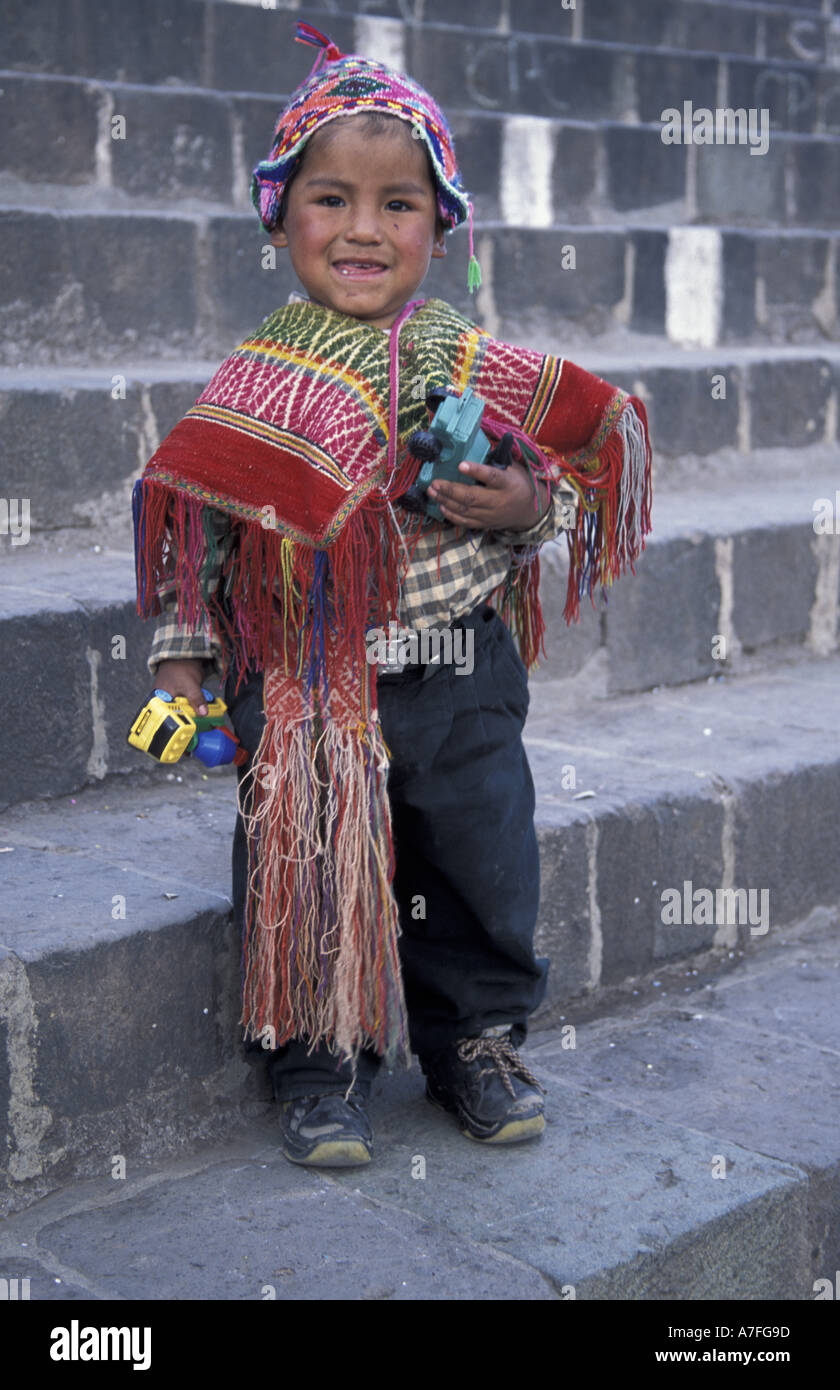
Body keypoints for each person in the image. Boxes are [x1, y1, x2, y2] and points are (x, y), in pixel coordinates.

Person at [133, 22, 652, 1168]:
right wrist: (183, 662)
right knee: (307, 858)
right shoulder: (249, 387)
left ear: (442, 225)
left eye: (399, 205)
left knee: (481, 854)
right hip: (305, 676)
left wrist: (521, 506)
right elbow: (197, 538)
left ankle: (475, 1036)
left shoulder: (468, 359)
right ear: (281, 217)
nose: (365, 227)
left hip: (459, 669)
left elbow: (557, 473)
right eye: (331, 198)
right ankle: (319, 1061)